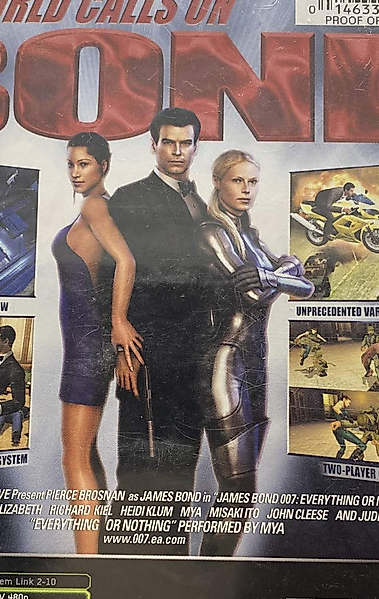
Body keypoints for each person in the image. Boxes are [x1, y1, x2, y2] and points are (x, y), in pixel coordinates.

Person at [102, 107, 215, 554]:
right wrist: (121, 348)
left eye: (185, 143)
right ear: (154, 145)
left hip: (195, 356)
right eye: (169, 142)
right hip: (145, 351)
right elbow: (108, 274)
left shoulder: (202, 204)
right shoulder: (130, 198)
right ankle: (120, 572)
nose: (177, 151)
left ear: (196, 147)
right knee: (140, 464)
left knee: (182, 463)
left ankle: (170, 566)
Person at [196, 150, 315, 555]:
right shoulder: (211, 232)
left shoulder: (250, 235)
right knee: (238, 488)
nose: (247, 189)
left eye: (252, 181)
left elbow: (307, 287)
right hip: (224, 363)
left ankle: (213, 575)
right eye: (237, 181)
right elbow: (253, 295)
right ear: (218, 182)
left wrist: (270, 273)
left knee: (243, 492)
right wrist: (285, 271)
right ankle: (205, 577)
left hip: (255, 365)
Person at [52, 131, 143, 554]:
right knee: (85, 454)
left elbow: (126, 260)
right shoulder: (98, 208)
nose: (75, 172)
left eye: (84, 164)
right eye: (71, 164)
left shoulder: (94, 206)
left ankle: (88, 564)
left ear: (103, 165)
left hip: (87, 349)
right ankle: (98, 553)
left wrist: (119, 323)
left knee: (74, 457)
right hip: (88, 347)